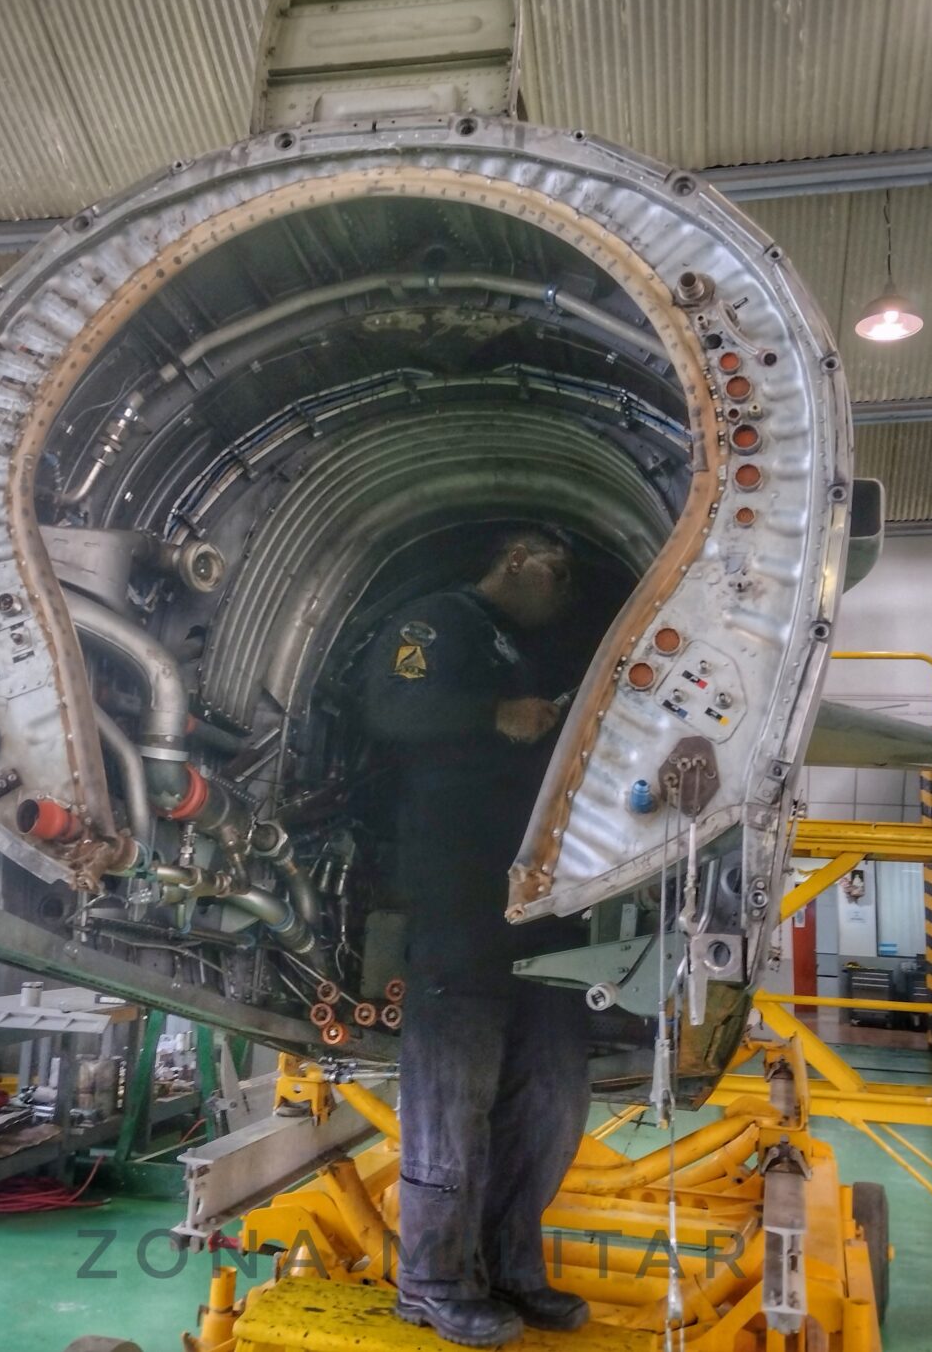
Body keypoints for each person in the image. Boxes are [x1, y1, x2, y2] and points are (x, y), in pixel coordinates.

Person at [360, 526, 593, 1348]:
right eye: (557, 571)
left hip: (540, 897)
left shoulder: (522, 652)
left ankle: (511, 1267)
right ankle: (431, 1280)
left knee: (554, 1091)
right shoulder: (439, 623)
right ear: (518, 558)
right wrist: (497, 715)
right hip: (458, 889)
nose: (562, 592)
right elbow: (388, 705)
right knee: (453, 1092)